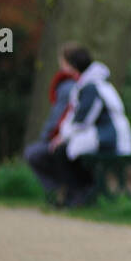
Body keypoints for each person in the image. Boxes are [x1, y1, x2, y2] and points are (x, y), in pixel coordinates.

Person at [52, 49, 131, 206]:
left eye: (63, 64)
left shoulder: (91, 87)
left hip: (109, 138)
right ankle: (79, 193)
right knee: (64, 150)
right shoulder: (90, 84)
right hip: (103, 136)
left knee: (63, 150)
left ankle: (80, 194)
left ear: (72, 65)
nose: (61, 68)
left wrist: (63, 137)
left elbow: (82, 120)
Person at [24, 43, 85, 203]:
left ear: (67, 62)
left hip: (70, 138)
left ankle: (61, 189)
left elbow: (58, 117)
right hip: (81, 137)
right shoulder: (85, 82)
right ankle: (66, 189)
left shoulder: (67, 86)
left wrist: (47, 137)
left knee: (33, 153)